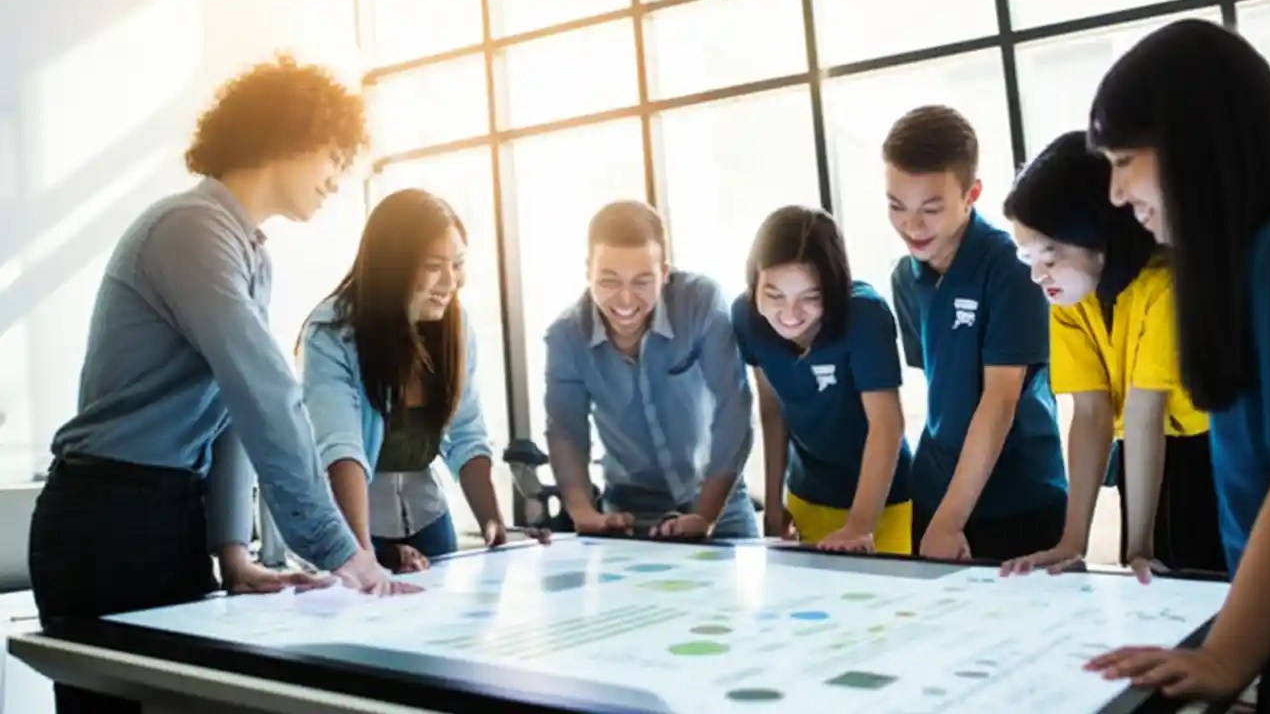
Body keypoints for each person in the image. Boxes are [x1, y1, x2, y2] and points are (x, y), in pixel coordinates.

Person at [28, 55, 419, 713]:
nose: (337, 177)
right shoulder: (191, 229)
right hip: (106, 519)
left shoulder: (249, 252)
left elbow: (232, 413)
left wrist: (232, 552)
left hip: (167, 514)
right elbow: (267, 395)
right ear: (287, 137)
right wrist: (342, 550)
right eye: (333, 154)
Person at [1074, 20, 1270, 707]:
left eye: (1125, 159)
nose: (1115, 194)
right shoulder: (1234, 262)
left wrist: (1227, 652)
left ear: (1197, 144)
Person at [999, 130, 1224, 582]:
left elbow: (1145, 411)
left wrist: (1140, 546)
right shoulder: (1067, 301)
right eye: (1028, 256)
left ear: (1096, 232)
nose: (1039, 274)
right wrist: (1071, 541)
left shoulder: (1162, 284)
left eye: (1051, 252)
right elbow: (1090, 414)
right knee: (1147, 583)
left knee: (1197, 583)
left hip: (1203, 452)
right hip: (1141, 453)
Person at [298, 188, 548, 573]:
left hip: (430, 521)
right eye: (434, 265)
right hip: (354, 527)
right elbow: (340, 447)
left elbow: (467, 433)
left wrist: (494, 524)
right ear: (393, 266)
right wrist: (362, 557)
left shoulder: (455, 325)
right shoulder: (332, 332)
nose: (450, 281)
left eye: (458, 264)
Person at [884, 105, 1067, 562]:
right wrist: (940, 514)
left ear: (972, 194)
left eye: (930, 208)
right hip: (934, 490)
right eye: (895, 206)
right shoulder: (905, 277)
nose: (911, 225)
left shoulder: (1011, 266)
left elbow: (1000, 399)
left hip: (1018, 499)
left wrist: (950, 521)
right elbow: (941, 382)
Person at [544, 200, 757, 539]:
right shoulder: (566, 336)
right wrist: (583, 513)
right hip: (630, 513)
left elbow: (734, 407)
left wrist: (705, 516)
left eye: (642, 281)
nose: (625, 301)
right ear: (588, 271)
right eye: (609, 281)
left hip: (719, 503)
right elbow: (567, 430)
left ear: (664, 272)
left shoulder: (700, 303)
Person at [731, 205, 912, 552]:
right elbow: (772, 409)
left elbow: (887, 425)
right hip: (808, 494)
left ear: (833, 286)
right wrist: (772, 505)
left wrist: (860, 527)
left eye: (809, 298)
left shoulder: (864, 315)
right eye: (773, 295)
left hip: (884, 500)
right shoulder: (747, 316)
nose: (789, 315)